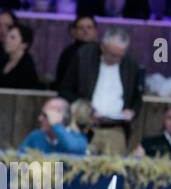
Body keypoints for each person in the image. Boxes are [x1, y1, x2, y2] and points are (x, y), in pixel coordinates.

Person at [58, 27, 143, 156]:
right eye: (113, 55)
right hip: (84, 127)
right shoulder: (83, 56)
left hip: (116, 129)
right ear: (102, 46)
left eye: (121, 56)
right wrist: (86, 110)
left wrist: (132, 112)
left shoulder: (131, 64)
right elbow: (64, 90)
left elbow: (137, 98)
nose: (117, 60)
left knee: (114, 171)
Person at [18, 97, 88, 155]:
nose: (40, 118)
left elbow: (72, 148)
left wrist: (57, 125)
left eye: (45, 115)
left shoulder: (78, 138)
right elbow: (17, 160)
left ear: (60, 117)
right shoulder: (35, 136)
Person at [54, 14, 97, 90]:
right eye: (81, 28)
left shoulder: (102, 52)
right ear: (74, 31)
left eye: (89, 27)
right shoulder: (68, 53)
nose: (85, 31)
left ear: (95, 31)